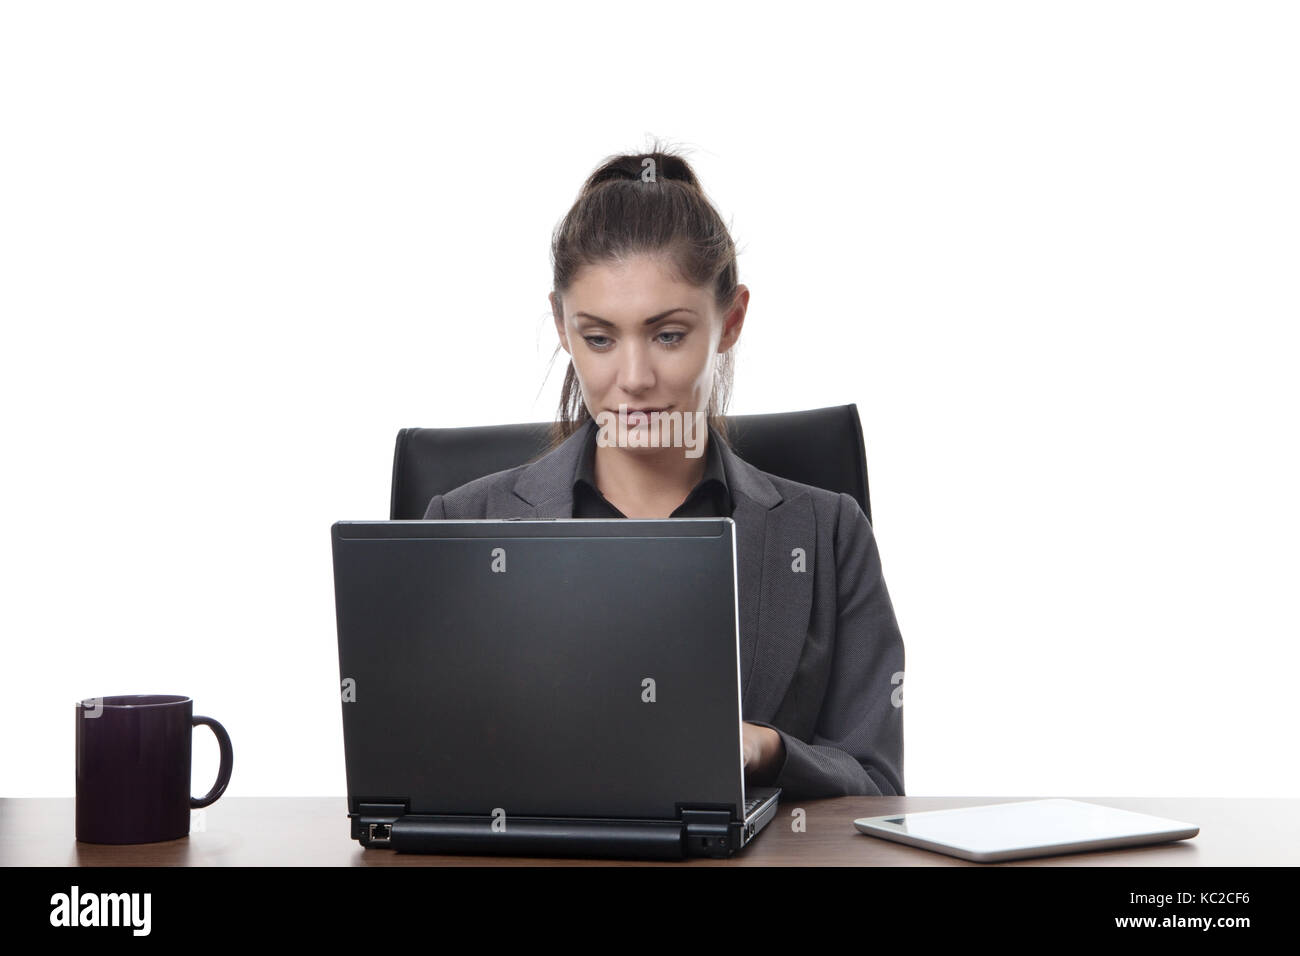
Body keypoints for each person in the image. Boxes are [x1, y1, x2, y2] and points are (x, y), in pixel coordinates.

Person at [422, 147, 905, 799]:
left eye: (669, 335)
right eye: (599, 338)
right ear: (564, 327)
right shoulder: (461, 525)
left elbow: (877, 781)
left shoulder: (829, 534)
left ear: (729, 321)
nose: (634, 379)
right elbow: (422, 776)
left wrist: (768, 748)